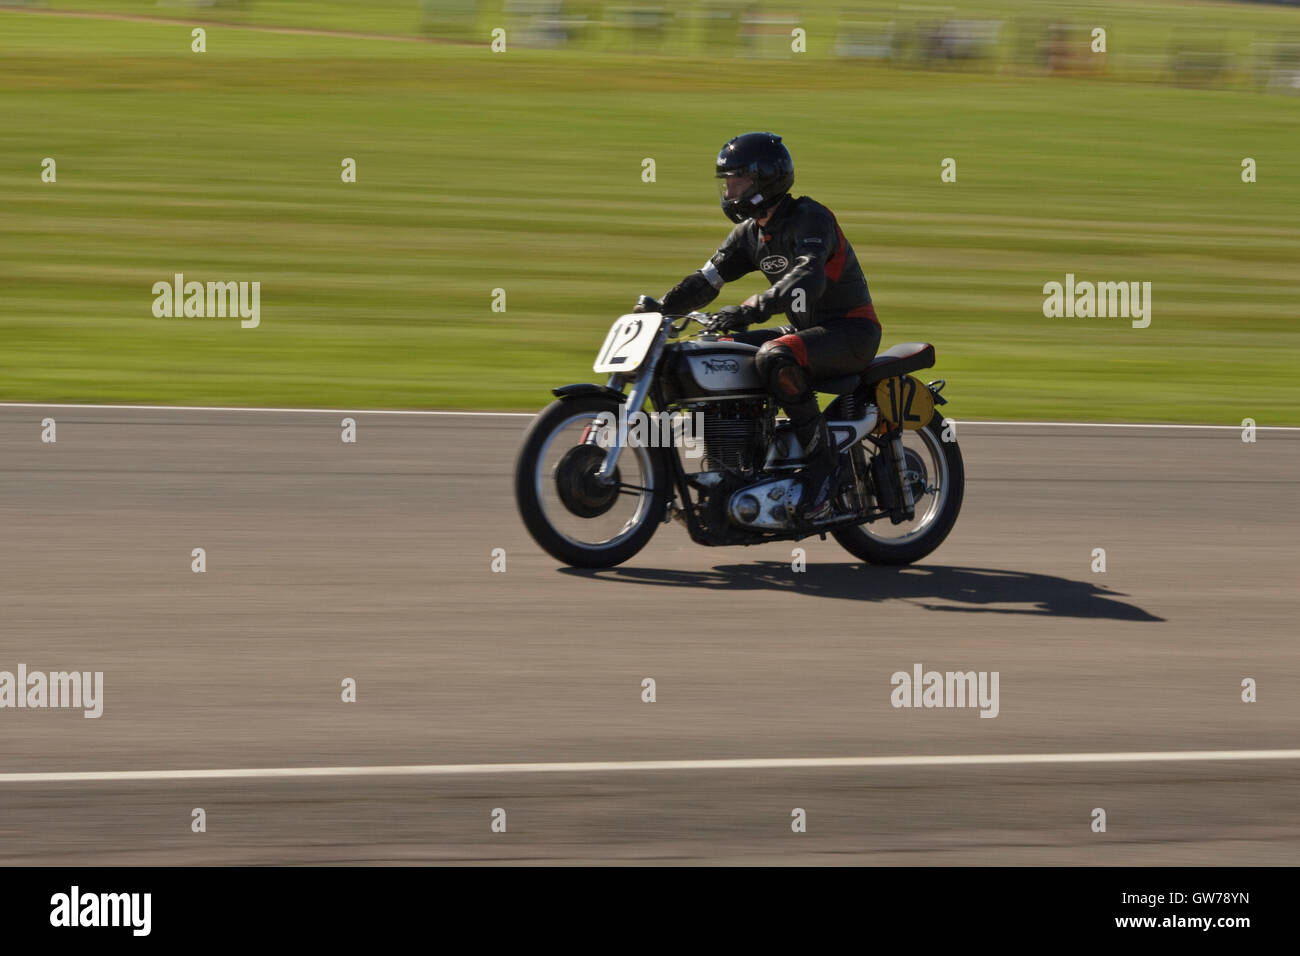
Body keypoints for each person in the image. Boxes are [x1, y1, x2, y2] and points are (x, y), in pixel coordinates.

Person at [644, 131, 882, 522]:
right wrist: (660, 309)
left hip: (850, 331)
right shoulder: (750, 234)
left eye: (737, 180)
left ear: (764, 180)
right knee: (719, 347)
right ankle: (737, 467)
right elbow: (706, 281)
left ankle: (824, 469)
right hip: (804, 330)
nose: (729, 189)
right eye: (727, 181)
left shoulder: (811, 218)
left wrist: (752, 308)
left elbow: (808, 277)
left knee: (776, 355)